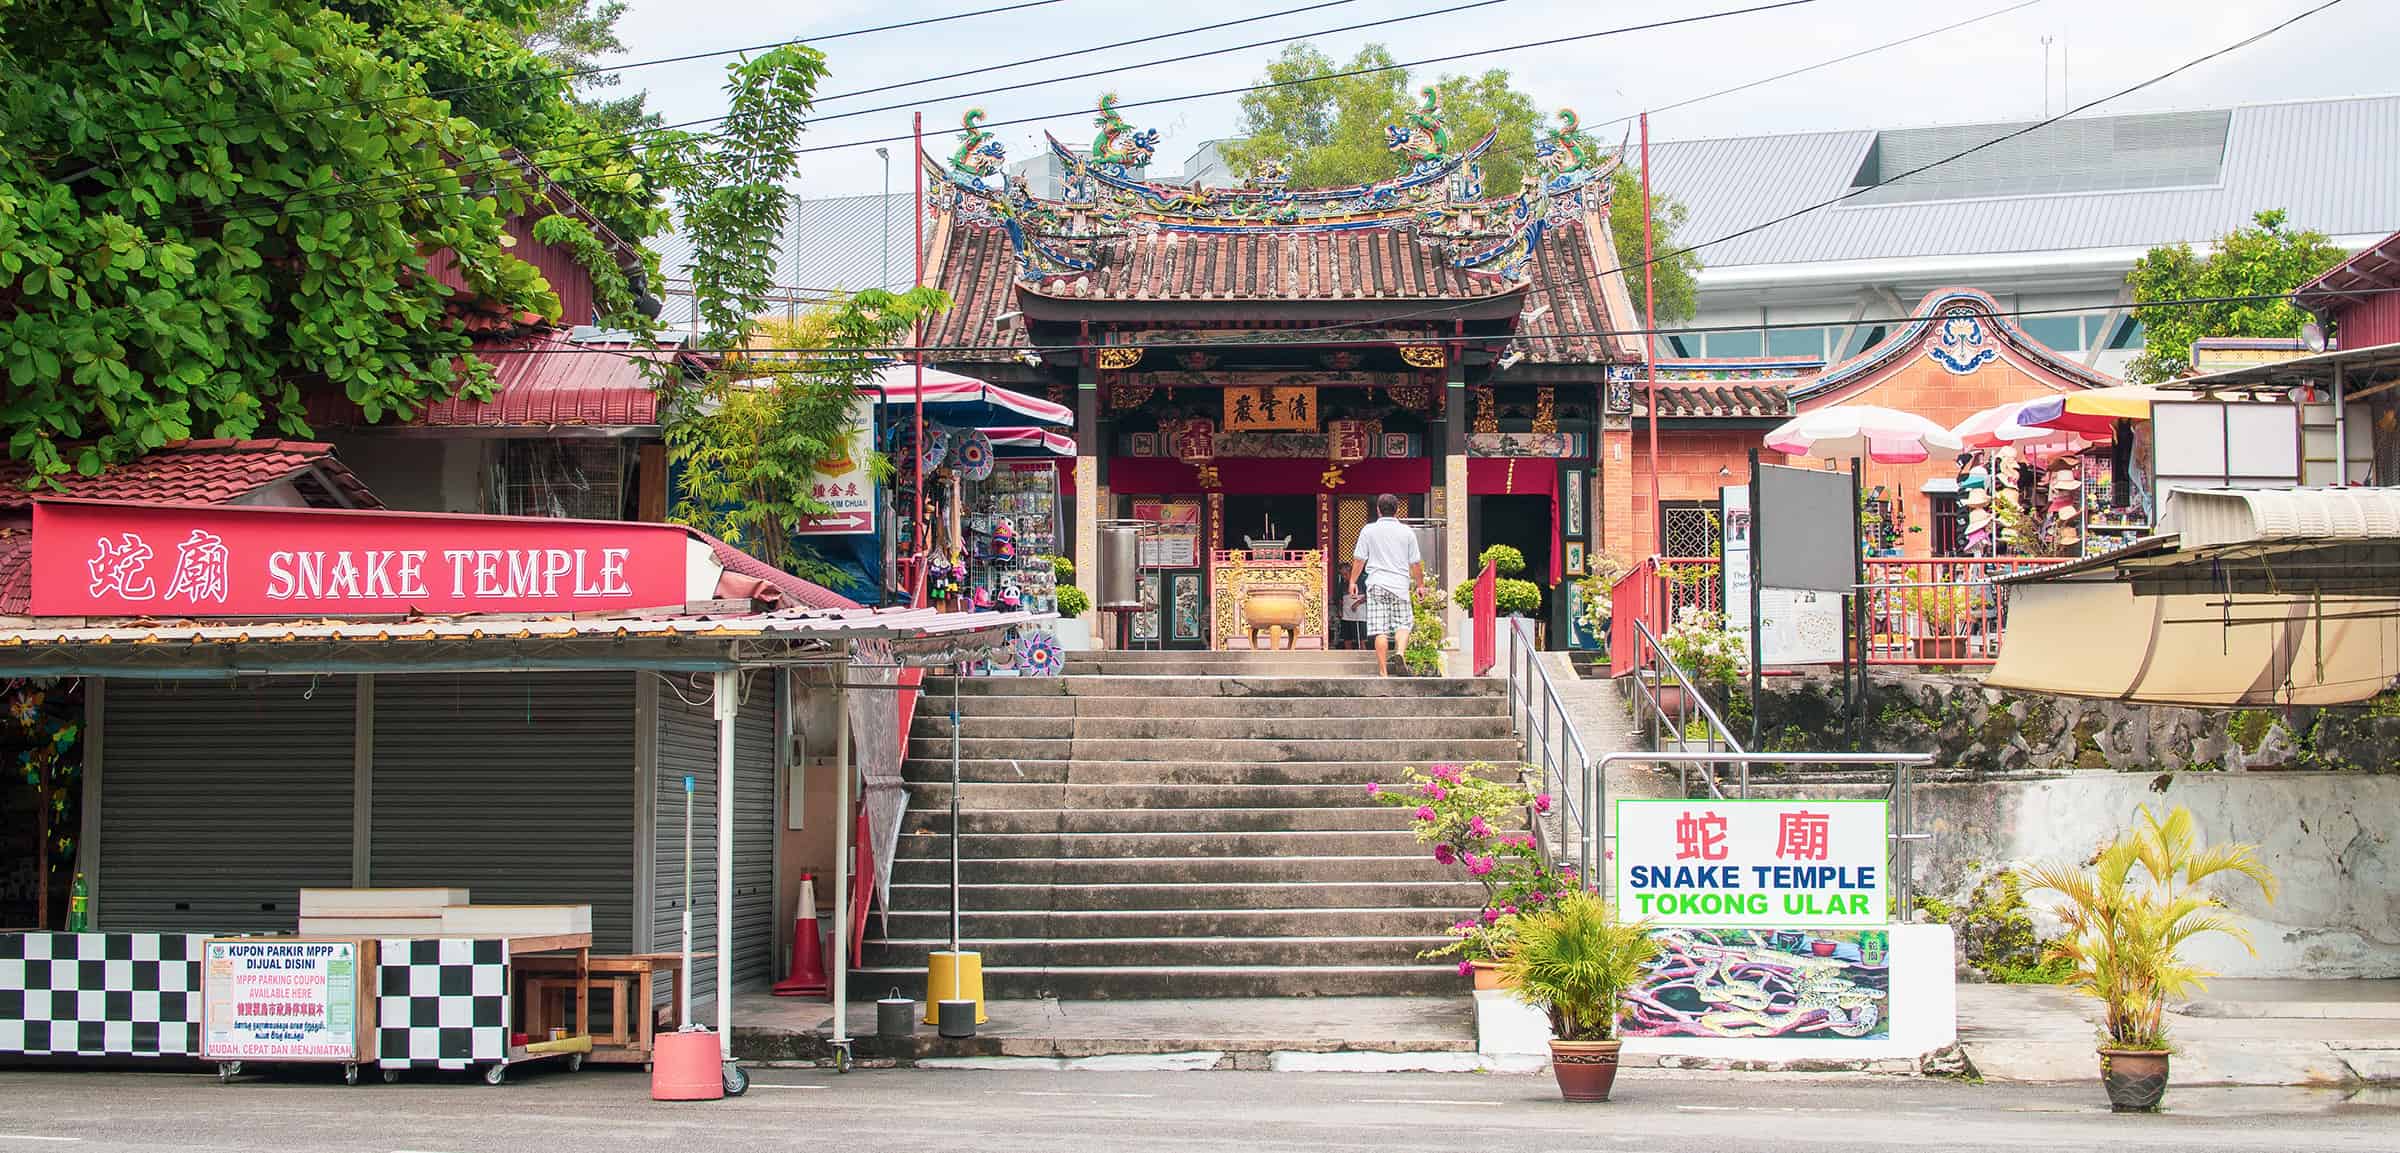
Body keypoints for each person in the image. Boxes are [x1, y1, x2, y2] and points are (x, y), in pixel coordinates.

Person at [1346, 493, 1425, 676]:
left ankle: (1383, 672)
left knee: (1379, 629)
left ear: (1378, 510)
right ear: (1397, 510)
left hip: (1377, 584)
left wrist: (1352, 581)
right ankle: (1399, 652)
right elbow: (1415, 563)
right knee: (1403, 624)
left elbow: (1359, 559)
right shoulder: (1407, 532)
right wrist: (1420, 585)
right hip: (1400, 585)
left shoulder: (1368, 530)